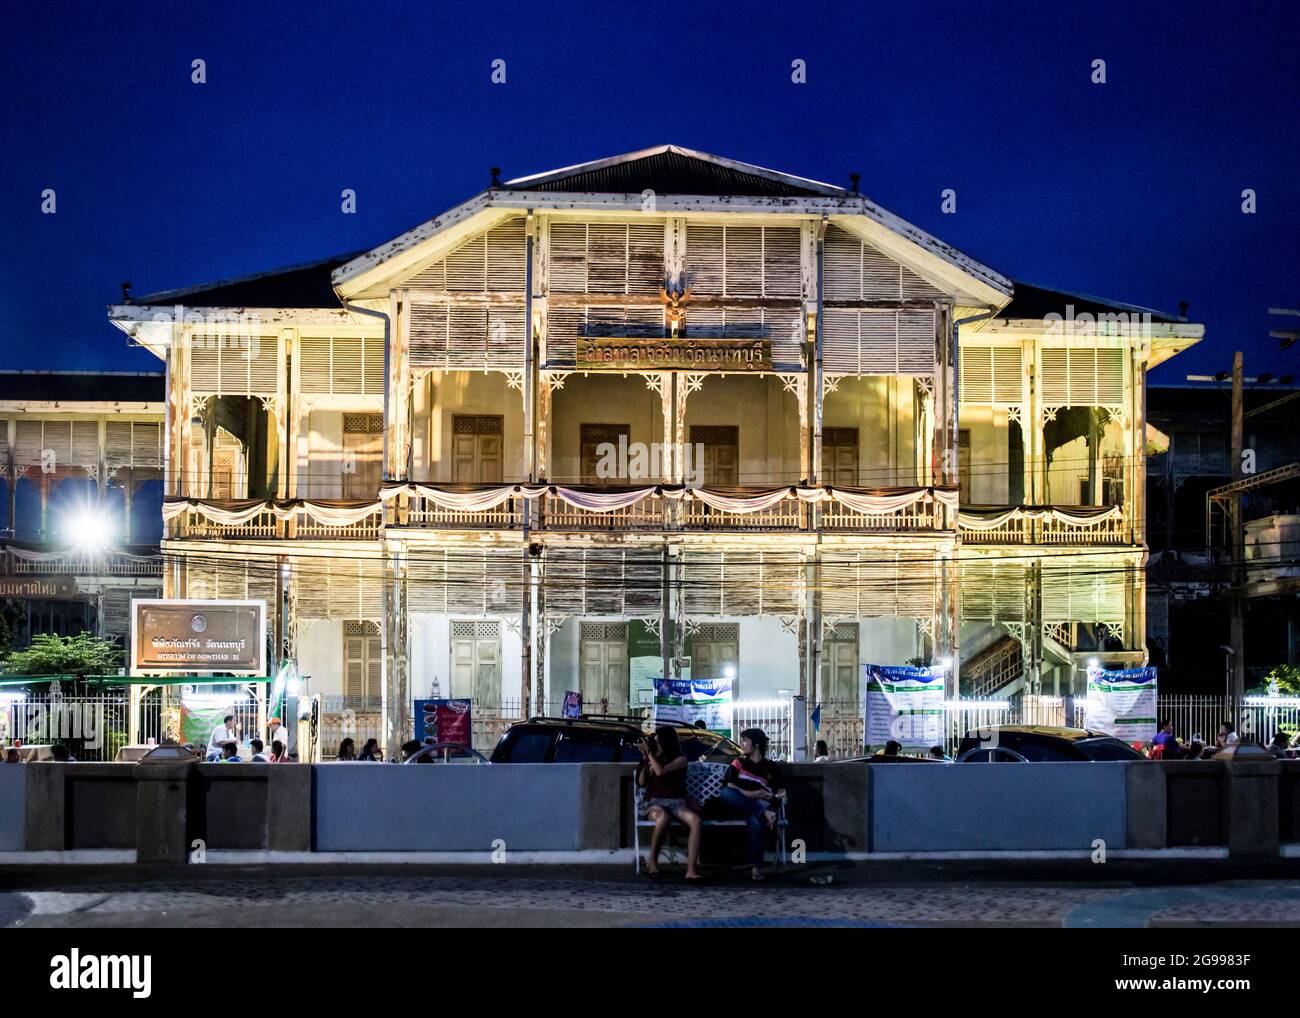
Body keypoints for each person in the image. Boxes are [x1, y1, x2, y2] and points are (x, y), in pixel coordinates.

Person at [719, 727, 786, 882]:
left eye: (745, 740)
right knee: (725, 793)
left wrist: (772, 796)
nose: (741, 744)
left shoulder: (771, 767)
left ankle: (756, 868)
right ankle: (763, 812)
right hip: (742, 804)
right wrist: (752, 794)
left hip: (762, 803)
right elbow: (730, 786)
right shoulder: (738, 763)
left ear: (756, 744)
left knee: (755, 819)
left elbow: (782, 790)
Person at [636, 726, 702, 881]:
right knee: (663, 818)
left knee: (696, 820)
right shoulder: (652, 758)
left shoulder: (680, 760)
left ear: (666, 741)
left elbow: (661, 771)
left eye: (657, 739)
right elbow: (642, 782)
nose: (655, 742)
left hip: (676, 803)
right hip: (654, 803)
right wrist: (647, 759)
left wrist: (650, 754)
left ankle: (691, 870)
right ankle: (653, 862)